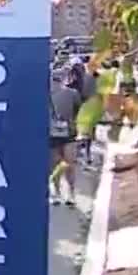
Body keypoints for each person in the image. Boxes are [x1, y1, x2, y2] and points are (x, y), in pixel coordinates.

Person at [49, 67, 82, 206]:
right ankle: (68, 193)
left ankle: (59, 193)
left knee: (56, 163)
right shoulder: (72, 93)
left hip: (54, 133)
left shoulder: (71, 93)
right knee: (68, 164)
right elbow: (78, 110)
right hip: (67, 132)